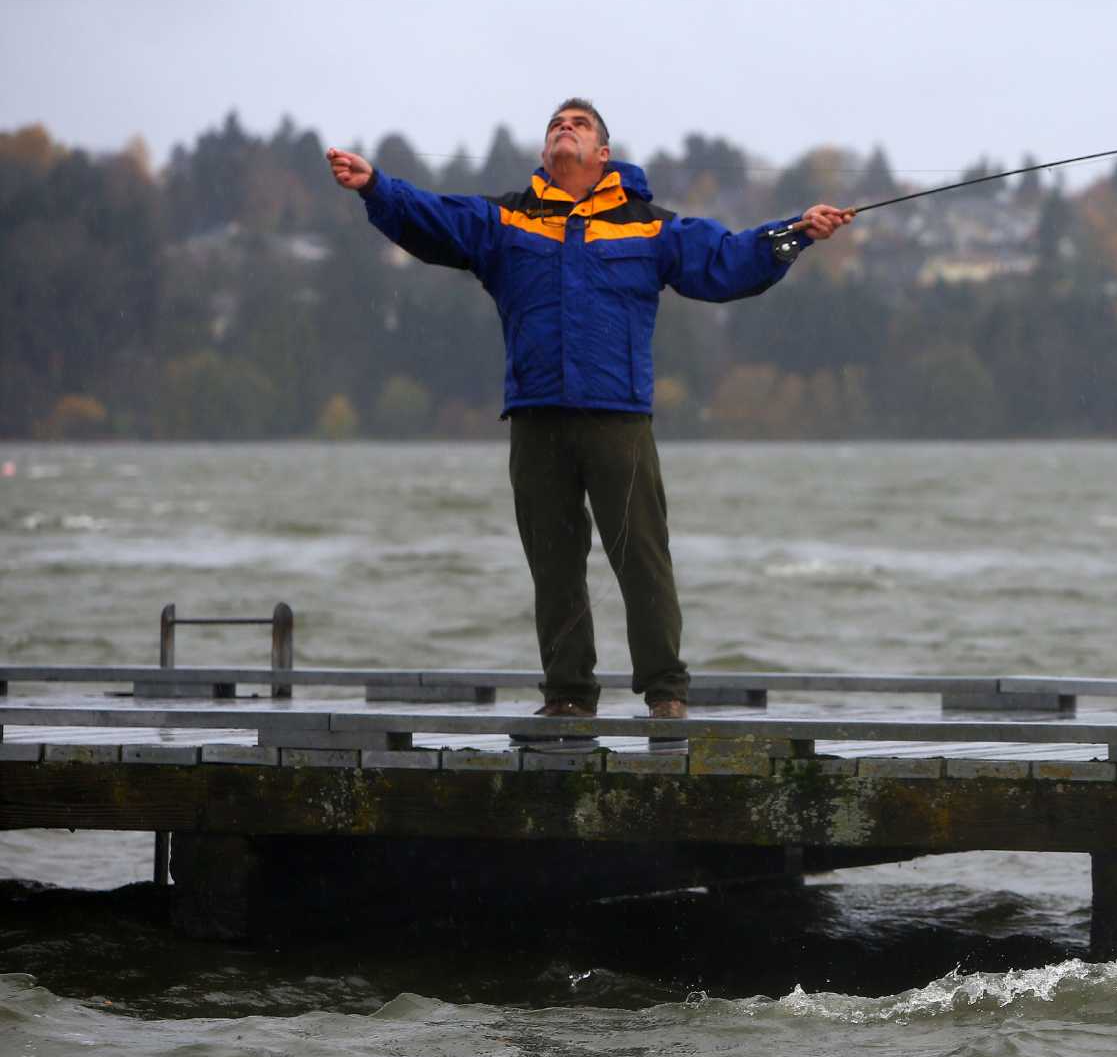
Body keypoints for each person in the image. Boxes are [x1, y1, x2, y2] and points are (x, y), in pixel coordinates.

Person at [326, 99, 851, 721]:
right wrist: (376, 188)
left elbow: (725, 260)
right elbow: (434, 218)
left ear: (604, 154)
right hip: (535, 415)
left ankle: (666, 693)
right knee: (553, 565)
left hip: (618, 417)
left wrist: (794, 231)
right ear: (545, 152)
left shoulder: (648, 226)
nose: (564, 129)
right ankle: (568, 696)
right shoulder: (504, 221)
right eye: (555, 125)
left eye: (578, 125)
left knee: (644, 559)